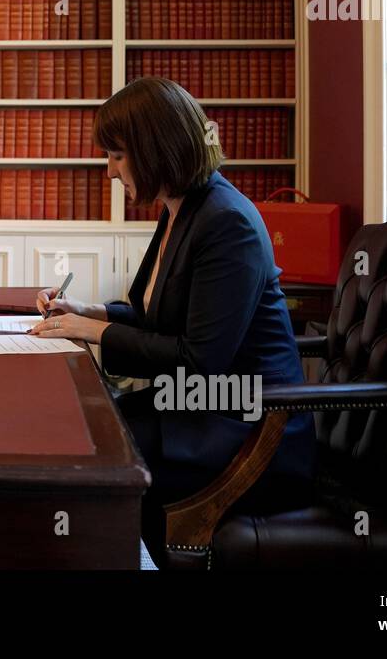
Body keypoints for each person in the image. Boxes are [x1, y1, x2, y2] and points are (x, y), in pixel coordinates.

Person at [31, 77, 315, 546]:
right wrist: (88, 311)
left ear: (156, 148)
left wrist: (91, 331)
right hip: (198, 409)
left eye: (117, 155)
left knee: (86, 466)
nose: (109, 171)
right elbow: (160, 320)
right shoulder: (182, 207)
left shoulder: (227, 223)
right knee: (75, 434)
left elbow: (199, 358)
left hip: (249, 429)